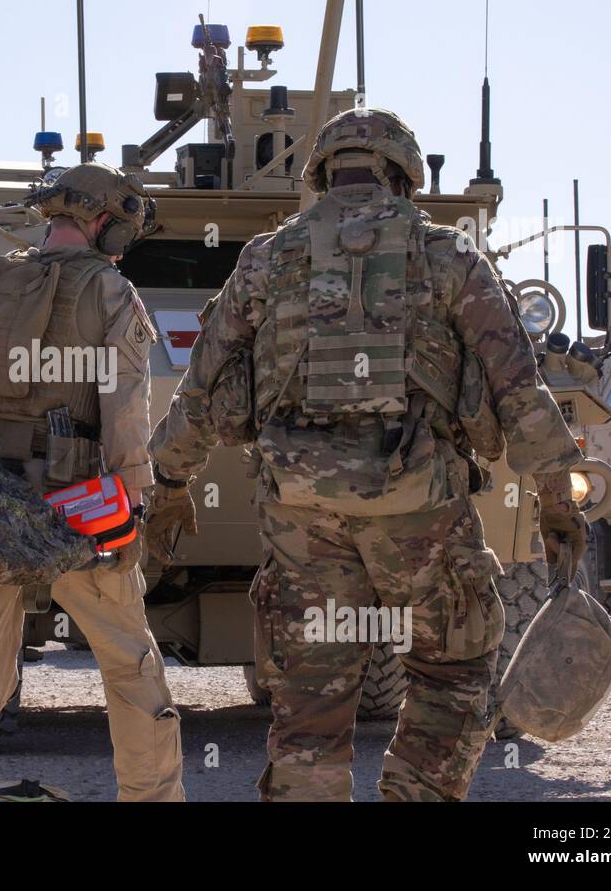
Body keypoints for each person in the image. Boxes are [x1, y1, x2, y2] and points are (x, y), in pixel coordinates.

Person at [145, 108, 586, 801]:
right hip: (420, 508)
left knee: (309, 700)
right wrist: (557, 498)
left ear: (321, 173)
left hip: (300, 511)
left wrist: (171, 484)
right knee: (455, 672)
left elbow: (203, 386)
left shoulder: (265, 259)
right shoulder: (448, 256)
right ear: (405, 174)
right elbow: (517, 383)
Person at [0, 161, 184, 801]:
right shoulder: (112, 294)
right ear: (106, 223)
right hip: (76, 505)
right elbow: (124, 403)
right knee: (130, 667)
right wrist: (134, 495)